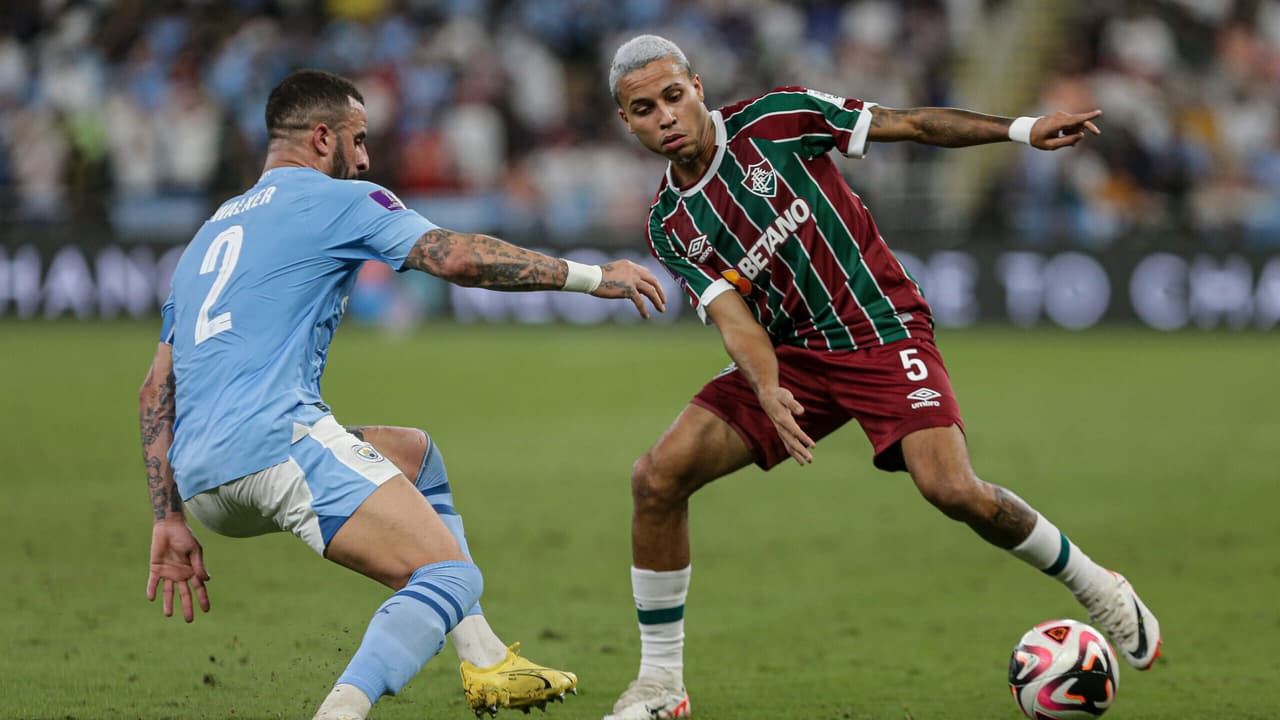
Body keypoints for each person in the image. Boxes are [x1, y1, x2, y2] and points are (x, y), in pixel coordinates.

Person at [601, 35, 1161, 720]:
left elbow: (912, 124)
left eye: (672, 96)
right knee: (657, 478)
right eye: (644, 109)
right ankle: (661, 685)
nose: (665, 116)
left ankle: (1098, 585)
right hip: (792, 357)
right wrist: (768, 387)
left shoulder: (778, 120)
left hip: (879, 328)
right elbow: (735, 320)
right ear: (626, 122)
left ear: (697, 87)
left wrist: (1021, 130)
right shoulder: (670, 223)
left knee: (951, 488)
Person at [138, 69, 666, 720]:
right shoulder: (337, 200)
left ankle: (484, 658)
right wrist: (592, 276)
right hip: (277, 444)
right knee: (450, 575)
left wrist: (168, 518)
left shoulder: (206, 237)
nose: (365, 159)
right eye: (358, 140)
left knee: (414, 455)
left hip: (200, 483)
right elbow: (457, 258)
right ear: (322, 137)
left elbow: (155, 388)